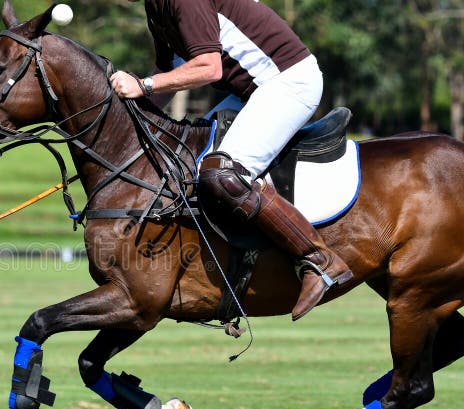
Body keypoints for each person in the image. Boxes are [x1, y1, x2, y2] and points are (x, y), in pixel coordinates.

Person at [111, 0, 352, 320]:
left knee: (222, 173)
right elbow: (167, 72)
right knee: (183, 164)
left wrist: (142, 86)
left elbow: (209, 66)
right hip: (250, 93)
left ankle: (319, 260)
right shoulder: (156, 6)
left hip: (289, 81)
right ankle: (227, 277)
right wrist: (125, 119)